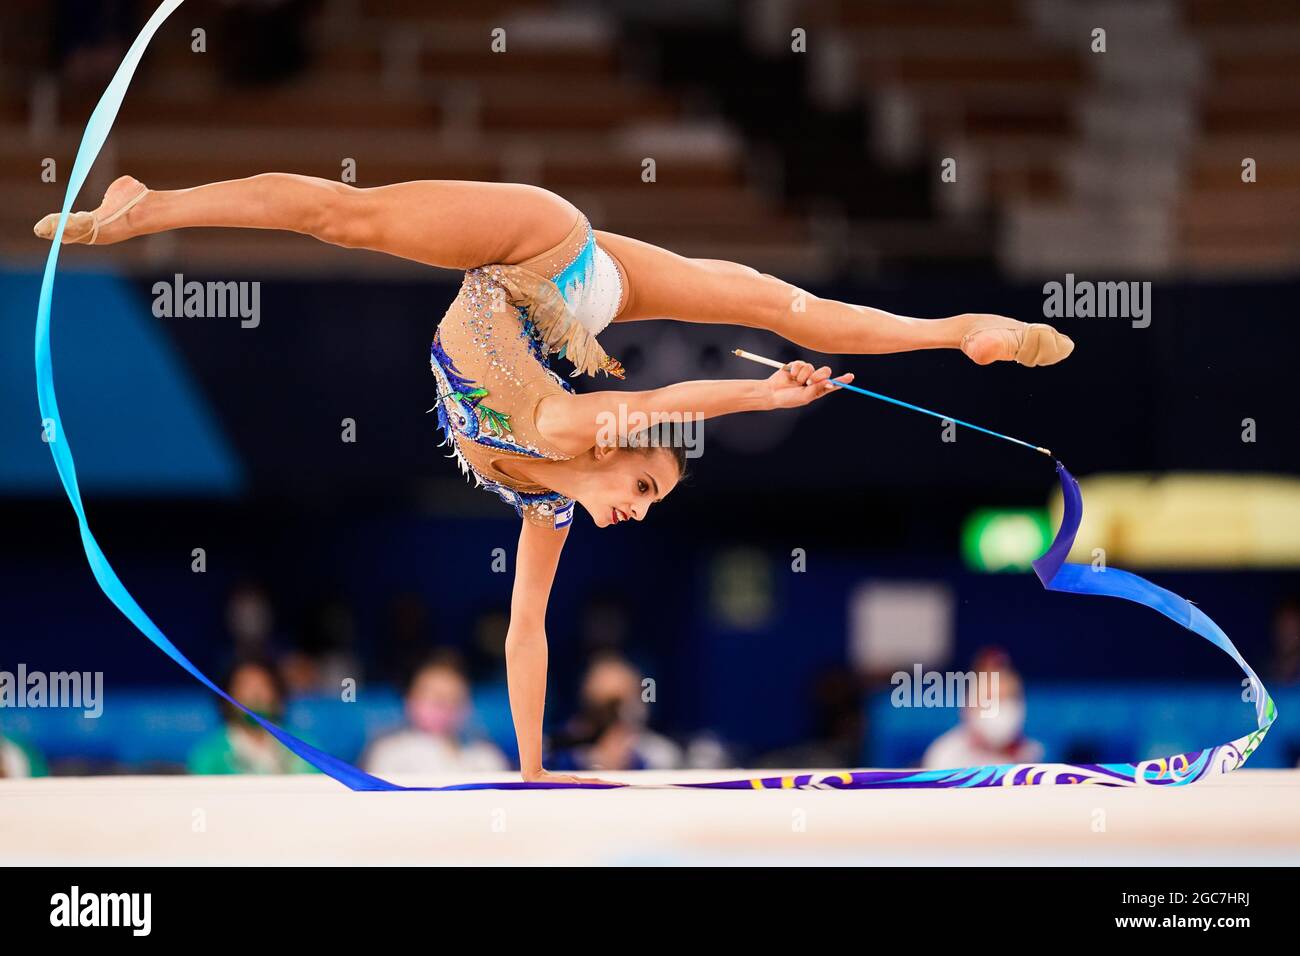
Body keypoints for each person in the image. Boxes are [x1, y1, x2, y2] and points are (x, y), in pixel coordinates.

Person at [37, 175, 1074, 784]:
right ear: (612, 450)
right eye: (646, 488)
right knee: (346, 218)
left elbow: (527, 633)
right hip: (529, 246)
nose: (638, 510)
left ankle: (960, 330)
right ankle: (147, 208)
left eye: (649, 502)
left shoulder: (546, 496)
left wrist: (533, 770)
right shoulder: (566, 425)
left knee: (780, 304)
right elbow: (655, 404)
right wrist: (761, 399)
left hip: (580, 292)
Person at [362, 652, 508, 775]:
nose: (446, 706)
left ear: (467, 706)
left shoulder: (486, 757)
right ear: (411, 700)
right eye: (437, 699)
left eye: (454, 699)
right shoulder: (388, 753)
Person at [188, 659, 316, 775]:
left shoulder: (305, 748)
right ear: (227, 698)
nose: (256, 695)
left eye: (263, 686)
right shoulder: (209, 754)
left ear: (278, 696)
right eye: (245, 687)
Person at [922, 649, 1043, 769]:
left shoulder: (1032, 755)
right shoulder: (945, 756)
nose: (1001, 708)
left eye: (1009, 698)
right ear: (969, 705)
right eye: (989, 699)